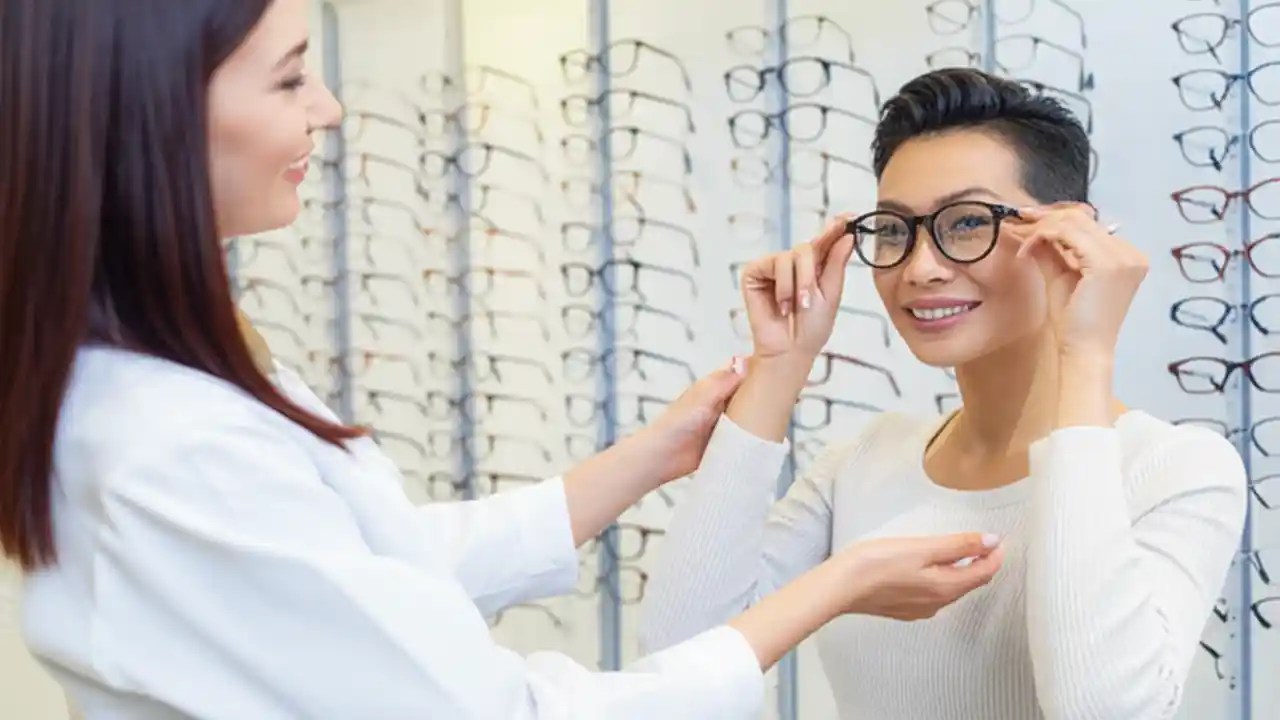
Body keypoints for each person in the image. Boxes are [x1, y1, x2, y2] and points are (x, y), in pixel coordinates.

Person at [0, 3, 1011, 718]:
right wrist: (833, 584)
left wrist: (652, 457)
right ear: (154, 111)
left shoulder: (159, 391)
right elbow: (577, 674)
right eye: (289, 74)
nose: (330, 108)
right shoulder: (164, 443)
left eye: (967, 225)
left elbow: (368, 572)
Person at [639, 67, 1248, 719]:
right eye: (896, 230)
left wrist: (1087, 353)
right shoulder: (862, 464)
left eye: (965, 223)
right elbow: (678, 663)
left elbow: (1100, 709)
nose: (921, 268)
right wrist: (780, 364)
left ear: (1072, 232)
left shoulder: (1176, 470)